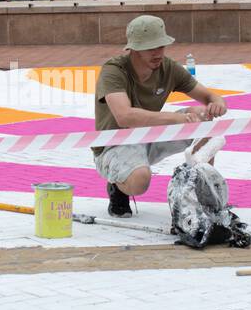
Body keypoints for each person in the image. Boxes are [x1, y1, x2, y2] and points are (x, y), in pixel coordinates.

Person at [94, 15, 229, 217]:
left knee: (203, 123)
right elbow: (125, 117)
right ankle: (117, 186)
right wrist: (176, 119)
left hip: (149, 136)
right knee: (140, 180)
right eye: (150, 48)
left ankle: (202, 193)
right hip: (115, 143)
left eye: (161, 46)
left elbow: (209, 95)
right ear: (134, 49)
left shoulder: (167, 67)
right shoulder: (114, 71)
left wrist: (216, 103)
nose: (158, 53)